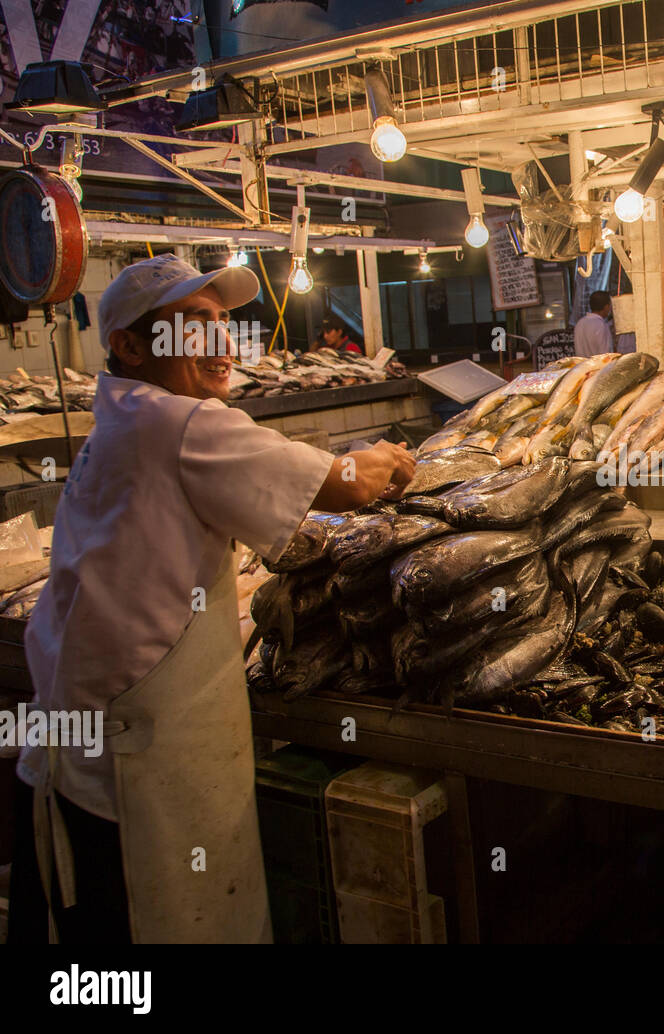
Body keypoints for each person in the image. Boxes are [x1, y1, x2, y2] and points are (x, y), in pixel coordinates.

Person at [7, 254, 415, 944]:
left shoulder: (125, 419)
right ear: (131, 347)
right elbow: (348, 483)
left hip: (88, 750)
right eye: (192, 324)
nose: (221, 341)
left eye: (223, 323)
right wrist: (391, 457)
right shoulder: (181, 424)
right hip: (134, 780)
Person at [574, 290, 615, 357]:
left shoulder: (580, 323)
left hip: (582, 366)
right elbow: (605, 354)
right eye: (610, 305)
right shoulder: (601, 325)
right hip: (600, 366)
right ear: (606, 307)